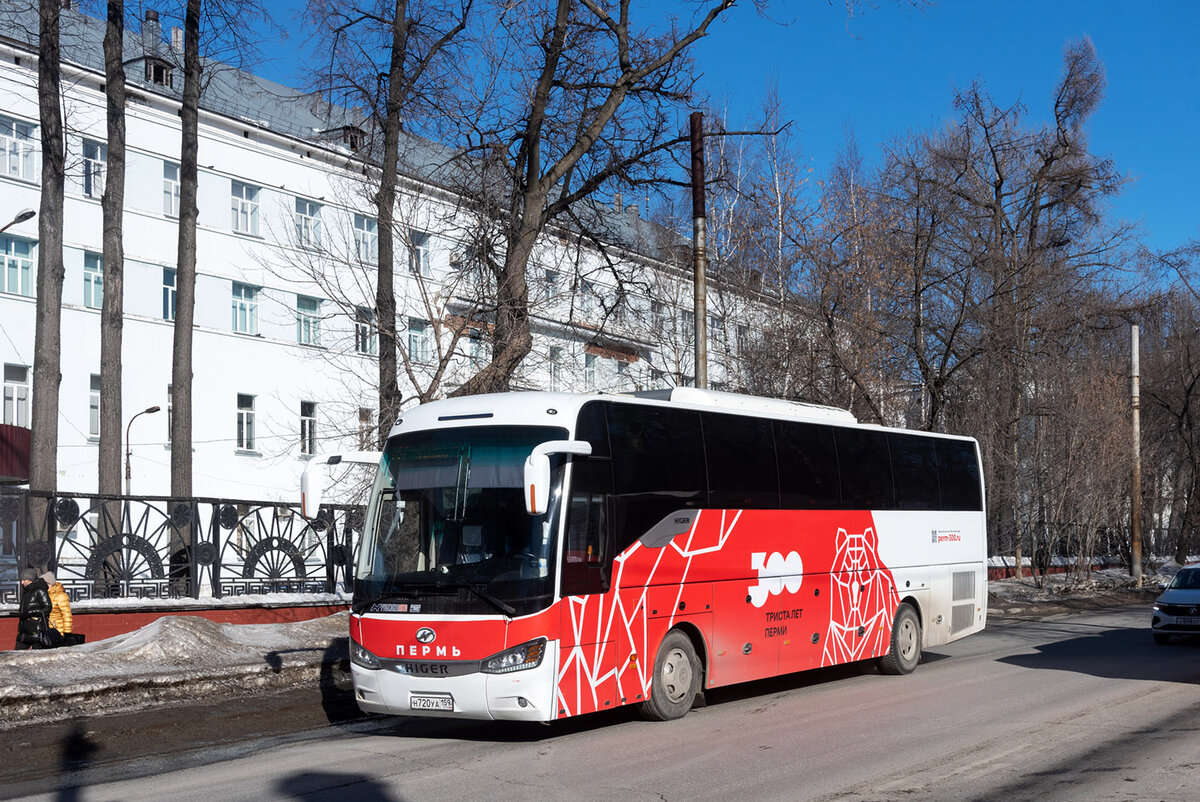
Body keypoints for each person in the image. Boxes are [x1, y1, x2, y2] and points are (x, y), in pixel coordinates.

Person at [14, 568, 52, 651]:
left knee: (37, 656)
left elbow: (47, 608)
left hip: (37, 630)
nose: (22, 582)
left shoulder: (40, 590)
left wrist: (31, 613)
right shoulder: (26, 591)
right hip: (24, 630)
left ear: (30, 580)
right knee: (17, 654)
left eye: (24, 580)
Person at [42, 571, 73, 646]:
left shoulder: (61, 596)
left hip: (58, 630)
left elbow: (67, 615)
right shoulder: (45, 594)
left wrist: (67, 633)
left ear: (49, 583)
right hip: (48, 630)